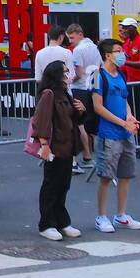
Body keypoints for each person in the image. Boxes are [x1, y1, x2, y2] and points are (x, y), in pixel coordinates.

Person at [91, 37, 140, 234]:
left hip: (125, 133)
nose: (122, 54)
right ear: (108, 55)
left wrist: (130, 117)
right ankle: (101, 216)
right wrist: (122, 122)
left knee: (125, 175)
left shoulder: (121, 76)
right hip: (109, 134)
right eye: (118, 51)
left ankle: (121, 215)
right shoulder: (99, 76)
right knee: (106, 177)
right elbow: (98, 107)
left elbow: (125, 100)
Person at [31, 58, 83, 241]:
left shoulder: (65, 94)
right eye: (65, 72)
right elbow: (41, 121)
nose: (68, 75)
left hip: (67, 147)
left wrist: (80, 109)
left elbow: (74, 119)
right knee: (51, 185)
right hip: (54, 147)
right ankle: (46, 223)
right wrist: (44, 145)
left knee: (63, 185)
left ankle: (62, 221)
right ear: (56, 75)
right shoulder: (49, 94)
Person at [66, 22, 100, 170]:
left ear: (80, 34)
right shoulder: (95, 47)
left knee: (79, 124)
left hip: (79, 89)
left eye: (72, 38)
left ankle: (85, 156)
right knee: (90, 123)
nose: (70, 41)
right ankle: (89, 156)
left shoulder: (78, 51)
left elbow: (78, 74)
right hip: (93, 88)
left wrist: (67, 81)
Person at [118, 18, 140, 150]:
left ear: (134, 28)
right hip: (130, 83)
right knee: (132, 114)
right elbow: (123, 64)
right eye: (123, 28)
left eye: (127, 28)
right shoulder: (127, 43)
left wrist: (124, 63)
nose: (124, 30)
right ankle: (138, 142)